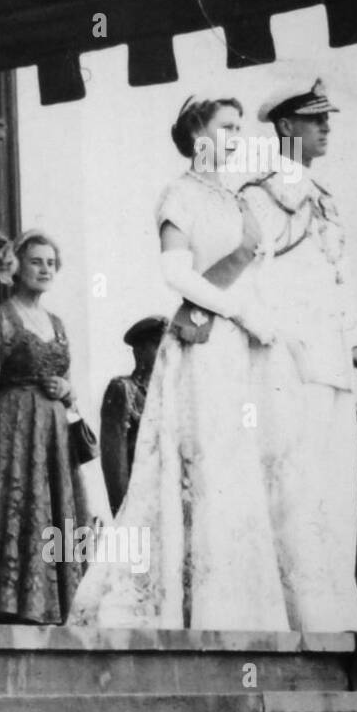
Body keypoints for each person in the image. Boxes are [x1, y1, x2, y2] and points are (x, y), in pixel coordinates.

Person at [71, 96, 296, 630]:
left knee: (239, 467)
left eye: (241, 127)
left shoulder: (240, 202)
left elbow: (255, 274)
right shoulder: (179, 193)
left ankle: (239, 605)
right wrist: (240, 309)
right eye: (226, 127)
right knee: (202, 465)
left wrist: (265, 322)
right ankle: (191, 604)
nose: (237, 137)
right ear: (198, 135)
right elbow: (176, 272)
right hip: (203, 345)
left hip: (241, 347)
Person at [240, 77, 357, 630]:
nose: (326, 127)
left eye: (328, 118)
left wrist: (356, 345)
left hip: (332, 366)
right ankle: (299, 615)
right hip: (288, 366)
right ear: (284, 127)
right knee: (293, 490)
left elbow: (335, 280)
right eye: (315, 118)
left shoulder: (326, 199)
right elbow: (255, 280)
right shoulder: (260, 195)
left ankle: (334, 611)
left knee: (334, 495)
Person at [0, 230, 93, 624]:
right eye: (36, 261)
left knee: (54, 511)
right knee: (16, 508)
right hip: (14, 429)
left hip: (53, 434)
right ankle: (11, 608)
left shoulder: (59, 324)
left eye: (51, 263)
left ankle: (53, 607)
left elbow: (70, 383)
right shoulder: (1, 317)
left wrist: (67, 390)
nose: (45, 269)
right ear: (17, 267)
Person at [99, 315, 166, 516]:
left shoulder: (169, 392)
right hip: (138, 501)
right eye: (157, 347)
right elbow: (114, 461)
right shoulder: (122, 389)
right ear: (140, 351)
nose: (165, 355)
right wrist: (124, 511)